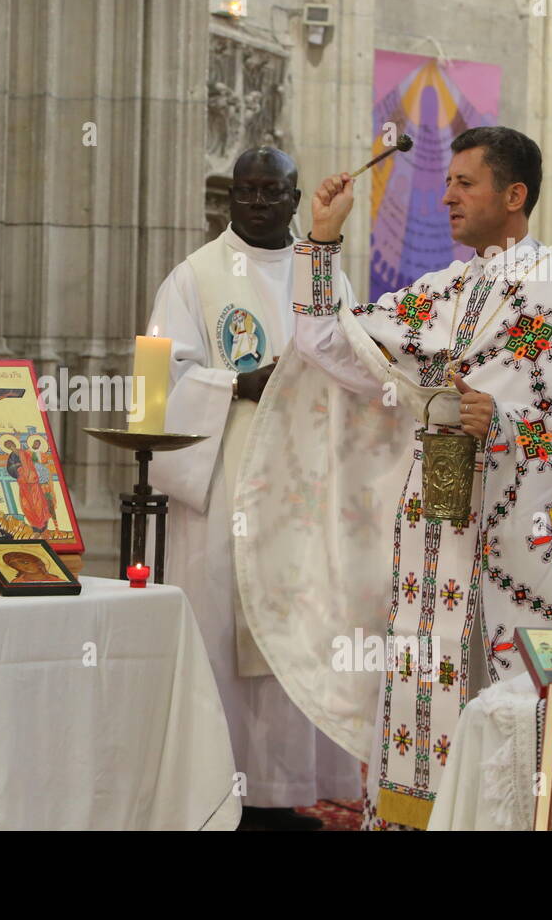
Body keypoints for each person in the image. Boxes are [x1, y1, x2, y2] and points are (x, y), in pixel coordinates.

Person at [236, 127, 552, 830]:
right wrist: (322, 245)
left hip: (516, 549)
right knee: (423, 707)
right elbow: (330, 345)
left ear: (514, 196)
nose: (446, 196)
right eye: (447, 181)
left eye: (465, 183)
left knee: (501, 716)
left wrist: (509, 425)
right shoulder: (444, 294)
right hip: (434, 541)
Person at [147, 145, 360, 829]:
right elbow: (154, 393)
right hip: (222, 487)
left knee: (300, 635)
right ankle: (221, 789)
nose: (260, 202)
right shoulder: (191, 278)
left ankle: (289, 788)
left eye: (274, 191)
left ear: (297, 198)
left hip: (306, 490)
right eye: (247, 191)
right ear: (228, 197)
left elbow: (354, 361)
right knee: (221, 640)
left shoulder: (324, 275)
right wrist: (235, 383)